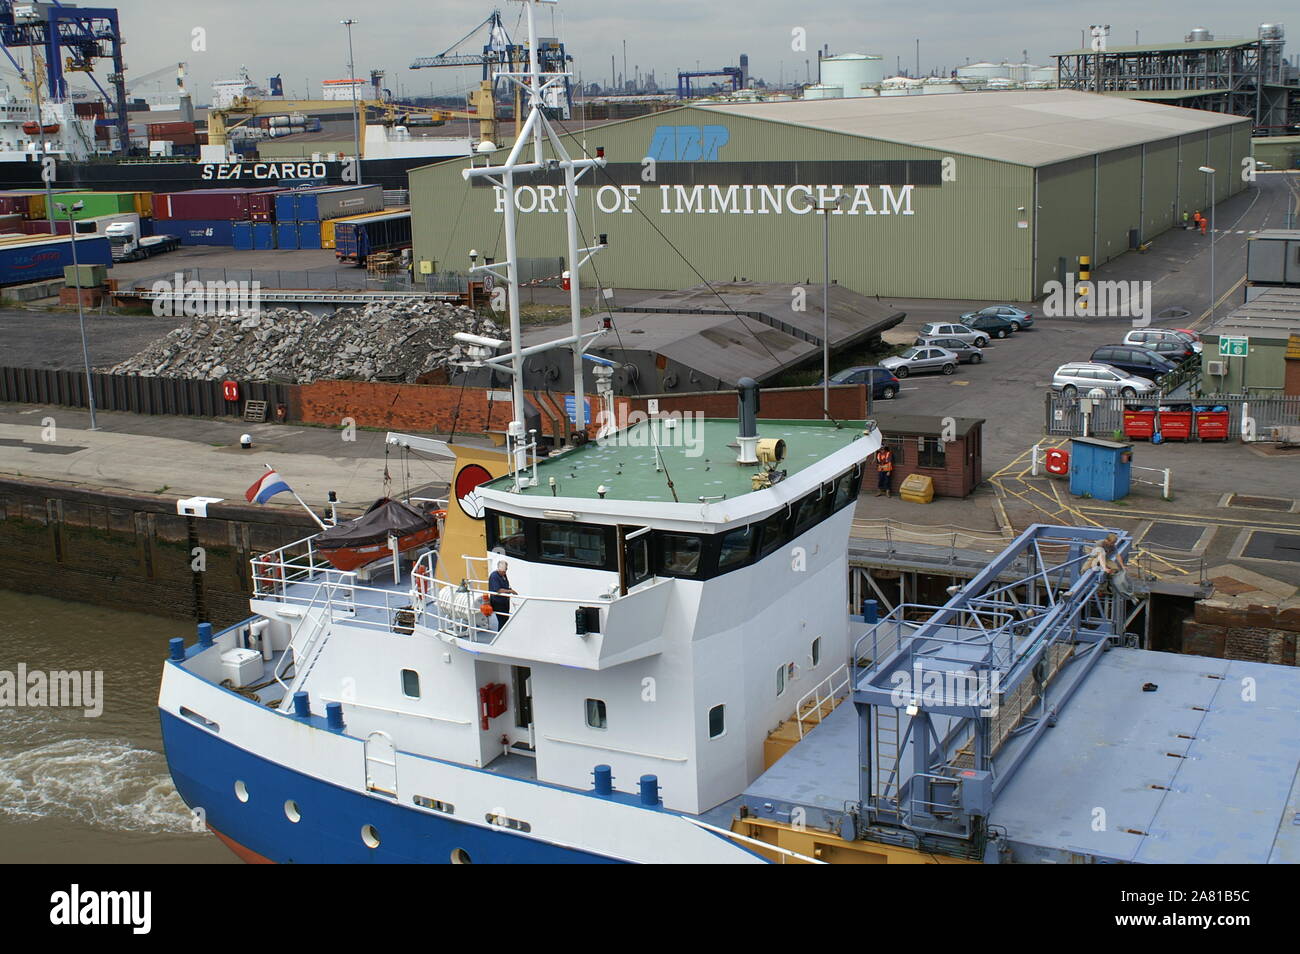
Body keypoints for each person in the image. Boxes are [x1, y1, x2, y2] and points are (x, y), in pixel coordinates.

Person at [1089, 533, 1134, 600]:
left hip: (1105, 559)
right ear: (1107, 540)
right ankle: (1095, 589)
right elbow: (1100, 556)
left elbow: (1117, 555)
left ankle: (1111, 585)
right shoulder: (1099, 544)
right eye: (1112, 543)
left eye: (1114, 543)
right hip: (1095, 558)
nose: (1113, 545)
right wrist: (1105, 568)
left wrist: (1122, 565)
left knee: (1116, 569)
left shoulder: (1112, 545)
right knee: (1085, 570)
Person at [487, 560, 516, 628]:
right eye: (504, 571)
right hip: (498, 602)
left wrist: (509, 590)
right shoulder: (494, 576)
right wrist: (510, 591)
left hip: (505, 601)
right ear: (500, 570)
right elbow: (498, 590)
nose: (505, 572)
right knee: (502, 620)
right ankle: (500, 635)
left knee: (505, 619)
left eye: (505, 570)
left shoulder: (503, 575)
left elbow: (506, 584)